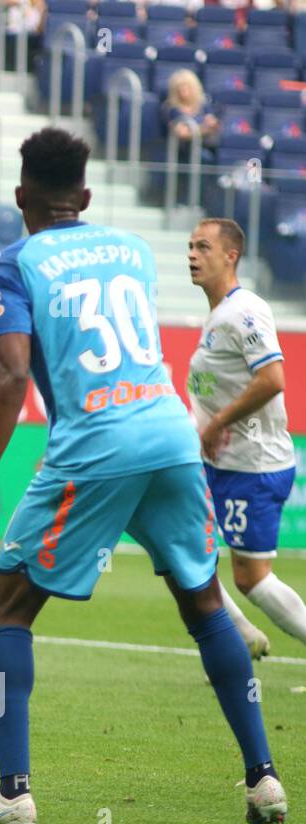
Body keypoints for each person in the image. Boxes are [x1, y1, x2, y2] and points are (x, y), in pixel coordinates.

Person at [0, 127, 286, 824]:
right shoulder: (132, 250)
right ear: (89, 194)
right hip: (167, 432)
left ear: (19, 196)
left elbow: (12, 371)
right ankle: (263, 779)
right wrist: (16, 325)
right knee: (206, 606)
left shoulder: (12, 263)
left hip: (96, 442)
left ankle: (13, 793)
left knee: (6, 610)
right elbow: (93, 328)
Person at [185, 218, 306, 654]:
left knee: (251, 578)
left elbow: (273, 378)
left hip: (253, 464)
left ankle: (245, 639)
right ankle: (244, 639)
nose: (192, 255)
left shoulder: (245, 310)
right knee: (187, 548)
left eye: (203, 247)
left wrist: (217, 424)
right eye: (190, 247)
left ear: (230, 255)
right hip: (222, 464)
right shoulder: (218, 315)